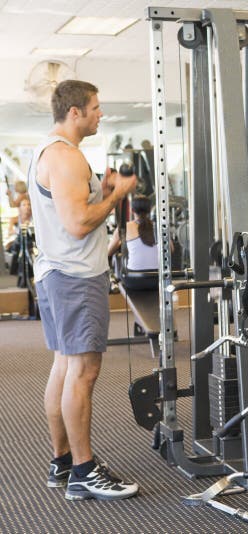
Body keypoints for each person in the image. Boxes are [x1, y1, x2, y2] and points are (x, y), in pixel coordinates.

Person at [28, 80, 139, 500]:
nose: (100, 113)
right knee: (82, 373)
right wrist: (117, 196)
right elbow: (77, 225)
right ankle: (83, 471)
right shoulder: (65, 157)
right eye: (95, 107)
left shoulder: (50, 152)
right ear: (74, 112)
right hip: (74, 277)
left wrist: (103, 191)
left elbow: (69, 214)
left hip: (58, 273)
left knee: (63, 367)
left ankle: (62, 462)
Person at [107, 194, 159, 273]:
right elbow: (170, 249)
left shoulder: (125, 227)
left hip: (133, 278)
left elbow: (108, 252)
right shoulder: (158, 226)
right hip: (157, 276)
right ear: (149, 210)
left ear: (132, 210)